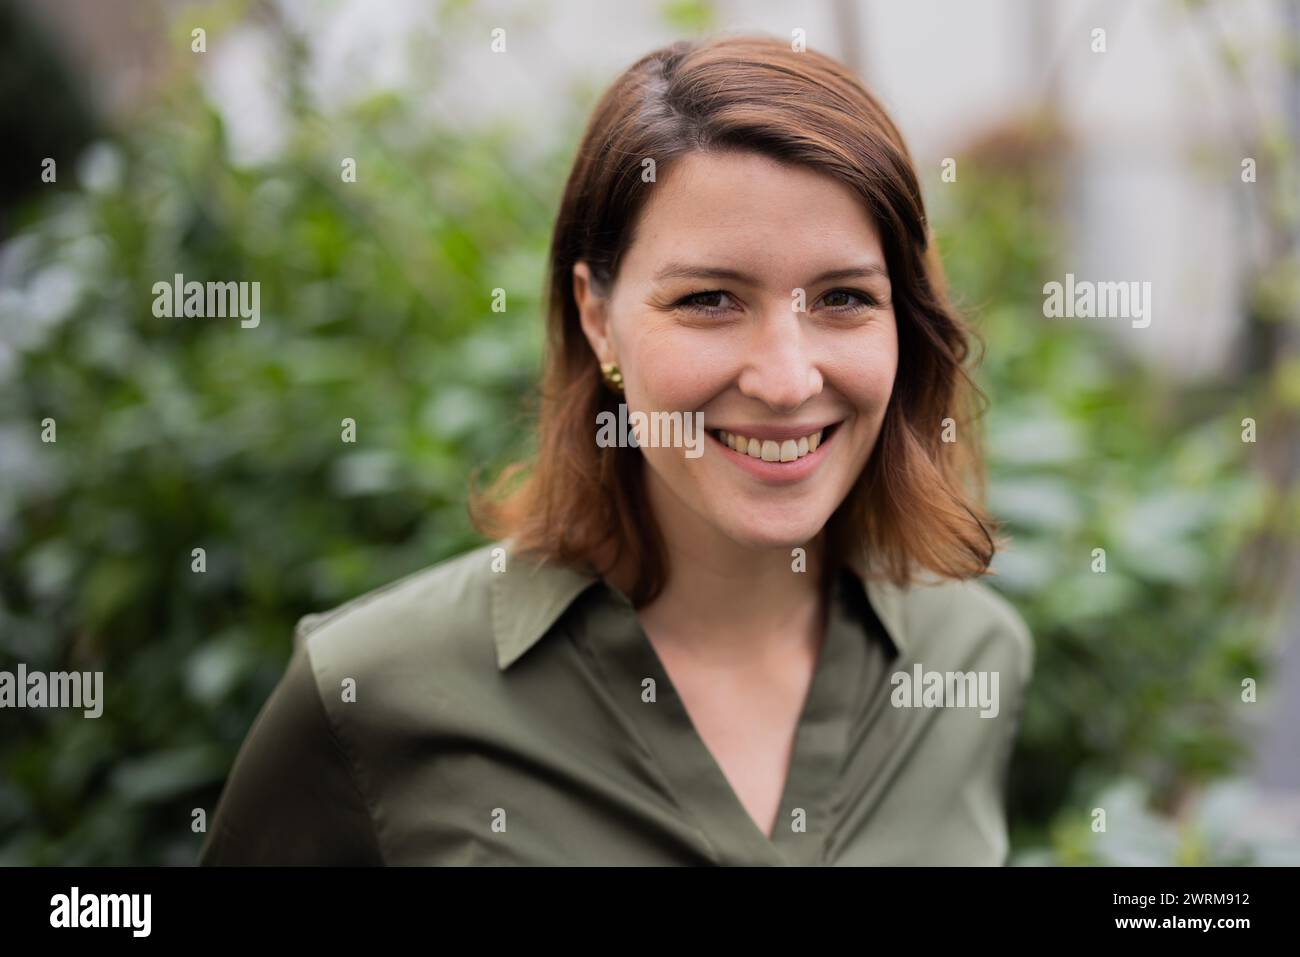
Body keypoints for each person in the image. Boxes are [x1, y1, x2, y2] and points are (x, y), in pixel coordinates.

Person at [199, 33, 1034, 866]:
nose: (785, 380)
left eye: (844, 297)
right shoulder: (369, 691)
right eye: (710, 299)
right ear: (598, 316)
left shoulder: (970, 656)